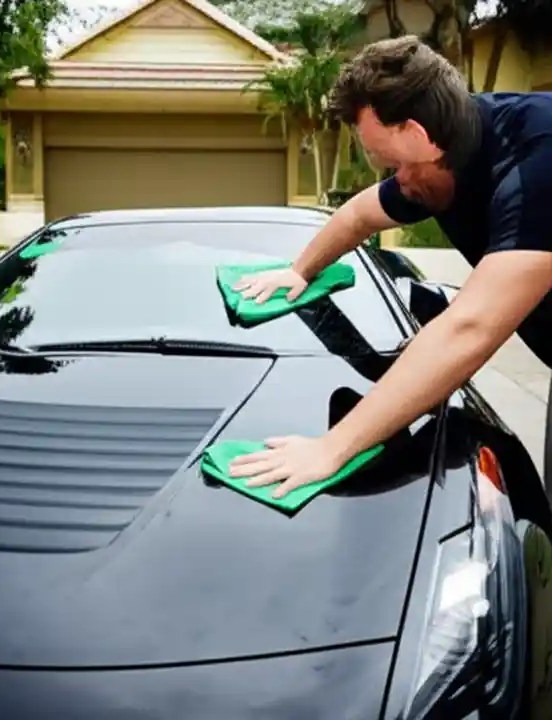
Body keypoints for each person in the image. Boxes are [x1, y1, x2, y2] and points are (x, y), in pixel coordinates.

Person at [228, 35, 552, 498]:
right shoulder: (449, 151)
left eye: (390, 163)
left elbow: (470, 327)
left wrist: (333, 447)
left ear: (420, 136)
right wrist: (300, 271)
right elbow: (359, 214)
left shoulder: (540, 161)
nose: (393, 181)